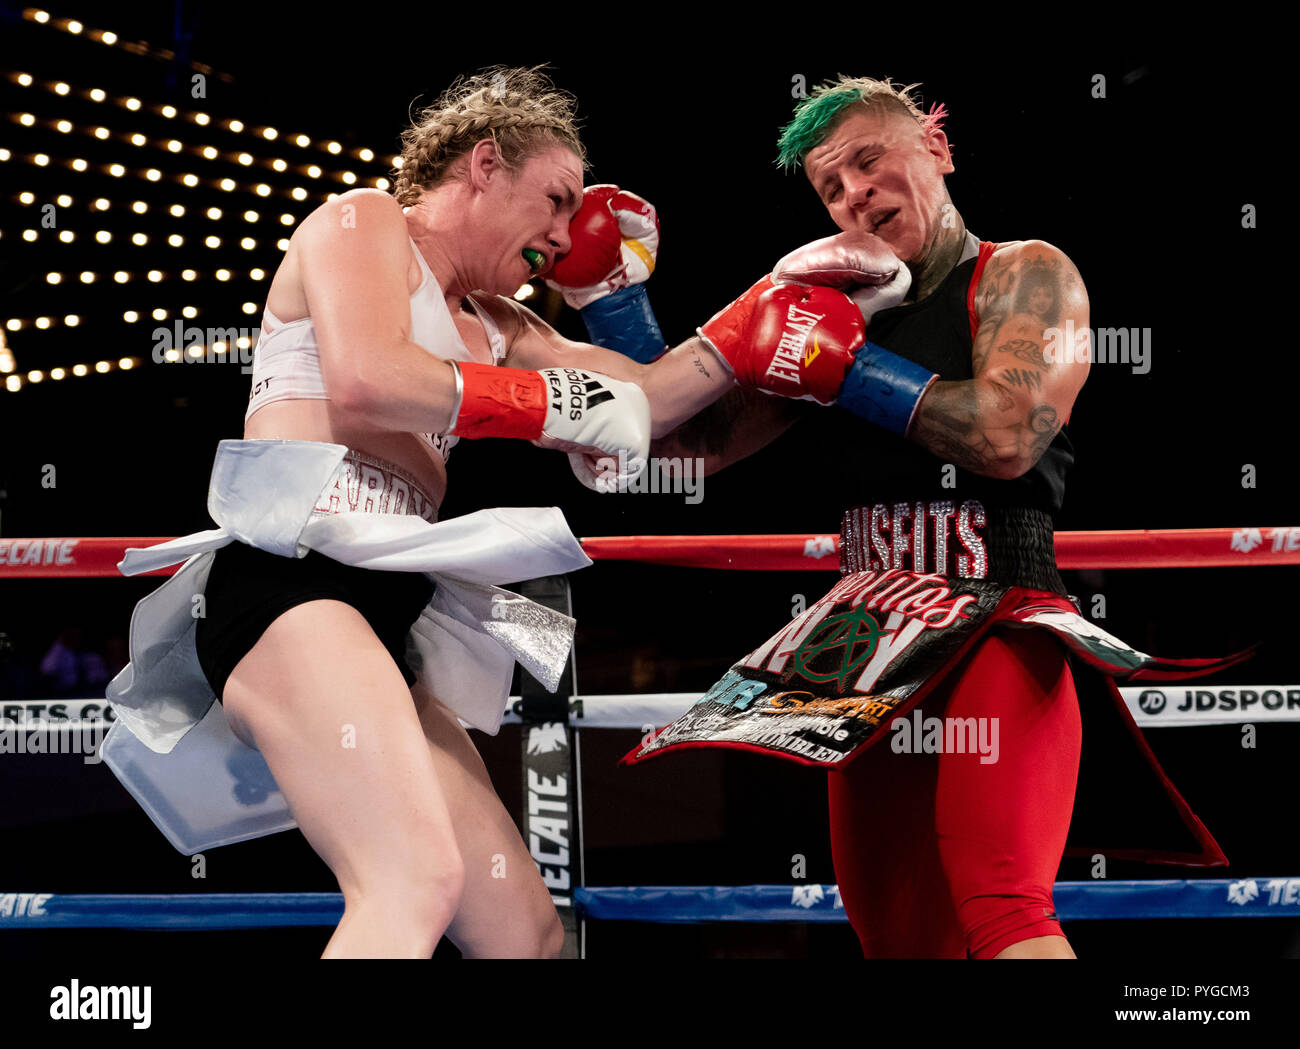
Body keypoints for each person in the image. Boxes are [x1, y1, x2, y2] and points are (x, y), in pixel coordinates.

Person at [556, 76, 1240, 959]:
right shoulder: (833, 305)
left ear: (938, 149)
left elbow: (1005, 434)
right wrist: (611, 300)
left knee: (1003, 909)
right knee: (897, 938)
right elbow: (687, 447)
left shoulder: (1026, 273)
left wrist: (848, 371)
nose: (854, 197)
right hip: (868, 633)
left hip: (999, 612)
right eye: (832, 188)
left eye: (869, 164)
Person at [106, 66, 745, 959]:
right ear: (484, 165)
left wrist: (766, 303)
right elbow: (371, 380)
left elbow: (652, 404)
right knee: (410, 881)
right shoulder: (363, 224)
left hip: (387, 614)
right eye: (555, 201)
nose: (563, 237)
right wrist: (557, 405)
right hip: (287, 585)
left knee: (523, 932)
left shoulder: (500, 324)